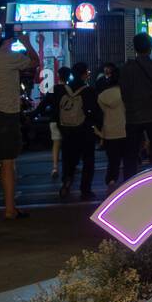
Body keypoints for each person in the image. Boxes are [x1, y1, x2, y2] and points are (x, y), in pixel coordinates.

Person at [0, 27, 40, 220]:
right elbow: (34, 62)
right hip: (6, 114)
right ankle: (10, 209)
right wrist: (26, 42)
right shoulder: (7, 57)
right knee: (7, 162)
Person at [120, 32, 152, 180]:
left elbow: (124, 93)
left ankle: (129, 183)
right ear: (151, 47)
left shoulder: (126, 68)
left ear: (134, 48)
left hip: (133, 116)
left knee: (131, 153)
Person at [57, 61, 100, 201]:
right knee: (88, 160)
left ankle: (66, 180)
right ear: (83, 74)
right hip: (84, 131)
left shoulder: (63, 90)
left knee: (69, 159)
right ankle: (85, 189)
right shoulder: (88, 90)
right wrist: (98, 126)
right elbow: (94, 111)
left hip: (67, 131)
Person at [96, 64, 127, 190]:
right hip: (125, 129)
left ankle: (111, 180)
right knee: (127, 158)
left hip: (109, 131)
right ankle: (128, 181)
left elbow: (101, 113)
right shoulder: (126, 94)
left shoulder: (102, 96)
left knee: (113, 159)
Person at [38, 65, 71, 178]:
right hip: (69, 121)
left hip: (54, 120)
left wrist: (35, 114)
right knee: (68, 144)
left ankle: (55, 167)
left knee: (56, 144)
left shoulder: (53, 89)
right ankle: (69, 166)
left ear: (58, 76)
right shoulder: (71, 89)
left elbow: (43, 105)